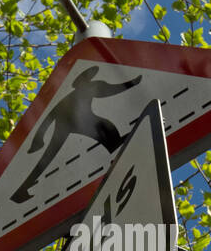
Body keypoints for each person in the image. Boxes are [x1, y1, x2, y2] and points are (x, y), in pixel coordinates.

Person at [11, 66, 143, 203]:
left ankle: (115, 145)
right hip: (70, 124)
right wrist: (38, 139)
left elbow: (112, 89)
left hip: (83, 121)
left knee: (105, 128)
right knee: (48, 157)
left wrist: (132, 83)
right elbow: (49, 117)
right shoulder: (80, 92)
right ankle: (21, 190)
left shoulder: (91, 87)